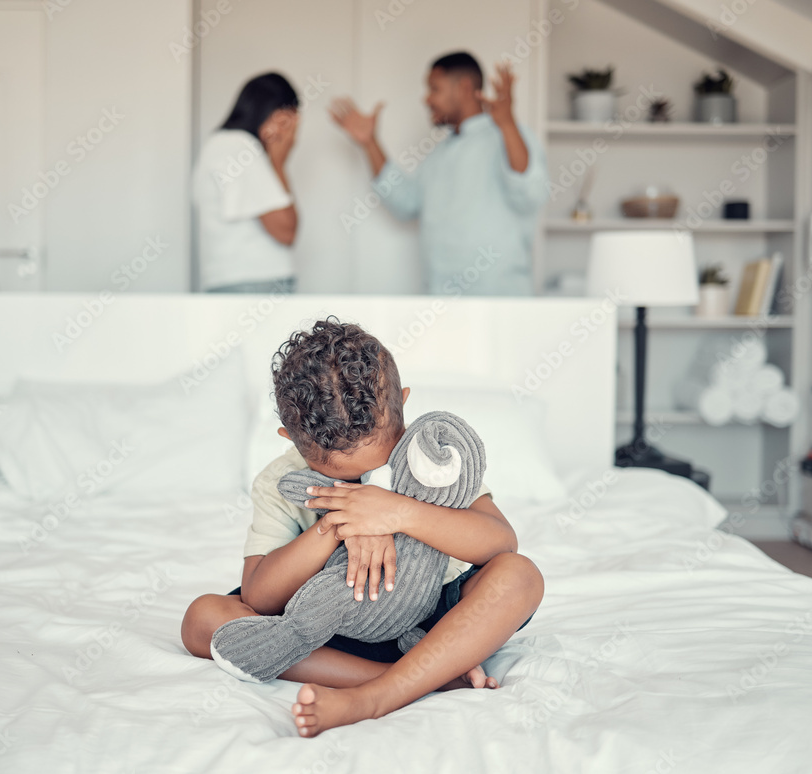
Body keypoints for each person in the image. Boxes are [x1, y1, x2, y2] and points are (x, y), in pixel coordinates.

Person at [181, 318, 544, 737]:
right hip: (322, 623)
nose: (365, 482)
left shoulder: (432, 460)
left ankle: (377, 696)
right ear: (290, 439)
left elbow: (501, 543)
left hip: (428, 624)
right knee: (202, 619)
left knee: (521, 577)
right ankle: (410, 676)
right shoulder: (279, 481)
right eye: (343, 476)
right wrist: (339, 524)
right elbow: (258, 597)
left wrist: (396, 512)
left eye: (378, 467)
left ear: (404, 407)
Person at [330, 52, 548, 296]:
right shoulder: (438, 155)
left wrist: (507, 124)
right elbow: (405, 203)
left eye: (435, 89)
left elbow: (530, 192)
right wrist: (370, 143)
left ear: (464, 88)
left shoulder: (511, 136)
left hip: (500, 301)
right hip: (442, 302)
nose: (427, 99)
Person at [194, 72, 300, 293]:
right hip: (254, 283)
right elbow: (286, 230)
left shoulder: (218, 145)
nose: (291, 136)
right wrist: (279, 162)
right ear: (272, 112)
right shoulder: (240, 148)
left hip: (236, 281)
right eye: (288, 124)